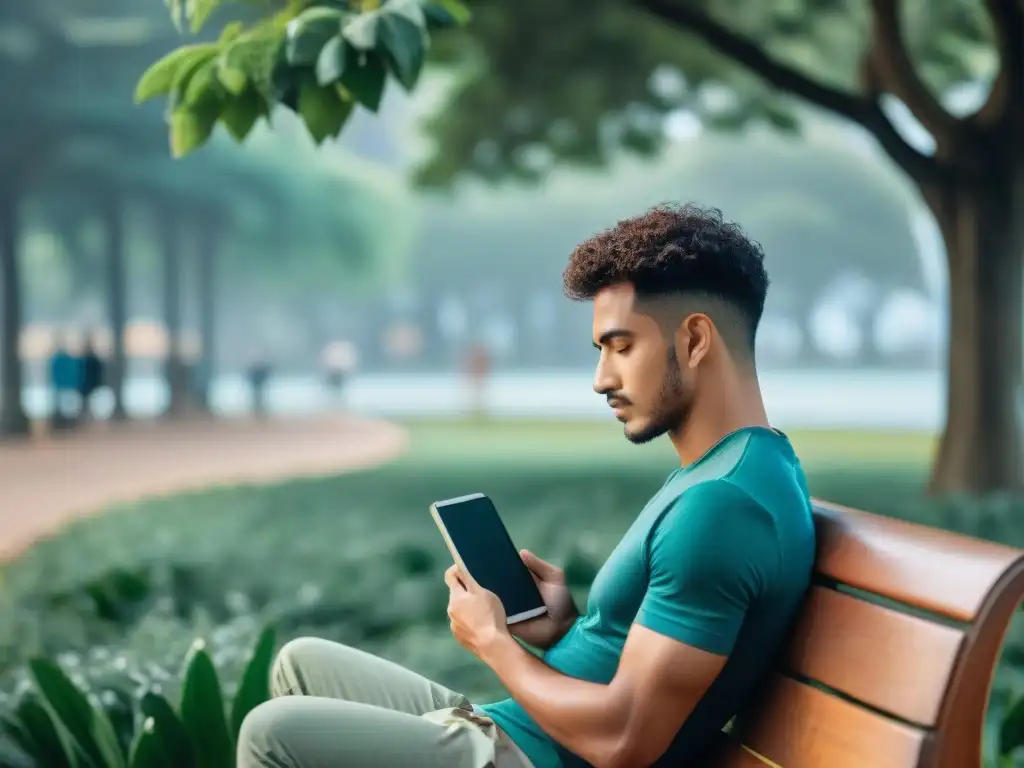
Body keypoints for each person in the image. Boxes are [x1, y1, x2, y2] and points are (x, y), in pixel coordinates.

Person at [237, 203, 816, 768]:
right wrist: (564, 628)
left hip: (532, 755)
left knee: (272, 732)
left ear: (693, 341)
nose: (601, 380)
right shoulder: (746, 467)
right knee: (299, 663)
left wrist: (495, 643)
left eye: (622, 346)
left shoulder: (722, 507)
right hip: (519, 728)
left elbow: (624, 742)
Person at [49, 335, 79, 430]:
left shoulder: (58, 359)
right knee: (65, 406)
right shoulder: (59, 359)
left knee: (66, 406)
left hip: (63, 386)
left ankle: (66, 422)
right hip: (62, 386)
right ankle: (64, 422)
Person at [78, 334, 104, 423]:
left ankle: (88, 416)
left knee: (89, 401)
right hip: (85, 384)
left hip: (89, 383)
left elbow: (97, 372)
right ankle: (85, 416)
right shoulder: (84, 359)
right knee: (85, 402)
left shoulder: (90, 359)